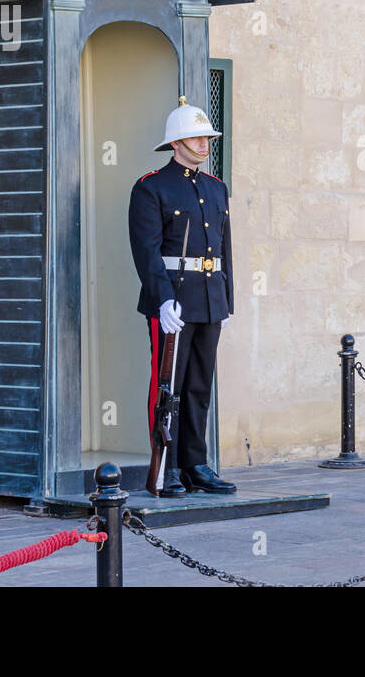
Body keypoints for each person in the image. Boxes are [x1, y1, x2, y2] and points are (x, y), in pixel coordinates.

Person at [128, 96, 235, 495]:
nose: (204, 144)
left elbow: (224, 248)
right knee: (167, 386)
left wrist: (226, 300)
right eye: (195, 138)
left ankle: (195, 464)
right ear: (176, 144)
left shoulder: (215, 188)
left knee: (199, 385)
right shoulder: (152, 188)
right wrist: (162, 300)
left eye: (207, 137)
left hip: (209, 298)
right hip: (173, 300)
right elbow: (146, 251)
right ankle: (166, 468)